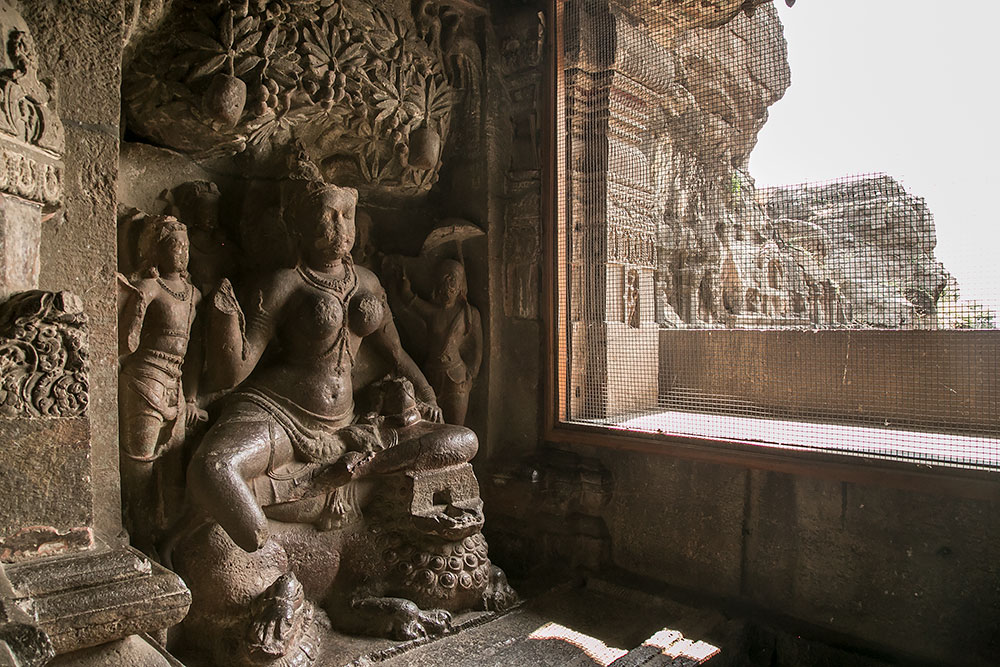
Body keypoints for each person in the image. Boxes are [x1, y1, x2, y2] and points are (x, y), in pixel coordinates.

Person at [118, 215, 205, 554]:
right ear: (156, 250)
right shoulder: (149, 289)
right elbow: (126, 343)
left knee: (172, 464)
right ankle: (137, 536)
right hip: (145, 379)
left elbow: (195, 349)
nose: (181, 252)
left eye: (185, 246)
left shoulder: (193, 294)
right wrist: (137, 306)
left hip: (176, 384)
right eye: (173, 246)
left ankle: (162, 538)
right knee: (140, 464)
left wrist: (193, 396)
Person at [399, 259, 482, 425]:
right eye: (444, 279)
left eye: (453, 279)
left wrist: (471, 373)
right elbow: (410, 300)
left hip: (456, 377)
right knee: (432, 428)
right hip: (431, 375)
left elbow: (477, 347)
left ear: (461, 284)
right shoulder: (433, 313)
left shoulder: (469, 314)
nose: (448, 285)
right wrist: (404, 283)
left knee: (456, 428)